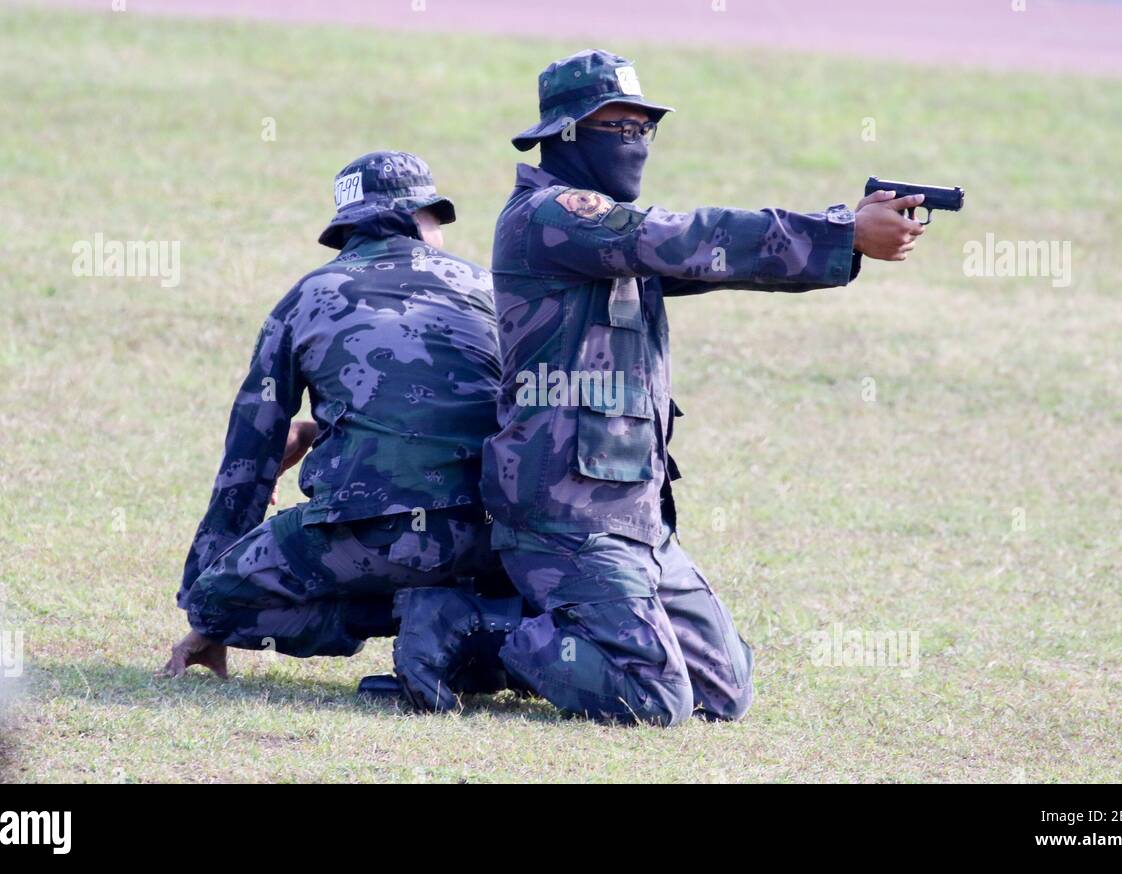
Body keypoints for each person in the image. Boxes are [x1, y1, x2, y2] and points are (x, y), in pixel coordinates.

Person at [390, 50, 927, 725]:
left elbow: (710, 254)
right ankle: (467, 626)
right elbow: (681, 235)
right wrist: (841, 229)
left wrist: (840, 240)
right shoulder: (552, 215)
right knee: (654, 701)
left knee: (724, 691)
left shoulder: (605, 233)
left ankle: (548, 632)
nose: (636, 143)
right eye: (618, 130)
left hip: (631, 514)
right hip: (566, 514)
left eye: (645, 129)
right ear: (564, 134)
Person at [163, 151, 520, 692]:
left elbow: (251, 453)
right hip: (493, 537)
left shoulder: (307, 297)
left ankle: (401, 614)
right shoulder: (491, 288)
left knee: (213, 601)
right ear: (420, 219)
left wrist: (207, 603)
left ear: (350, 229)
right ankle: (471, 620)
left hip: (368, 536)